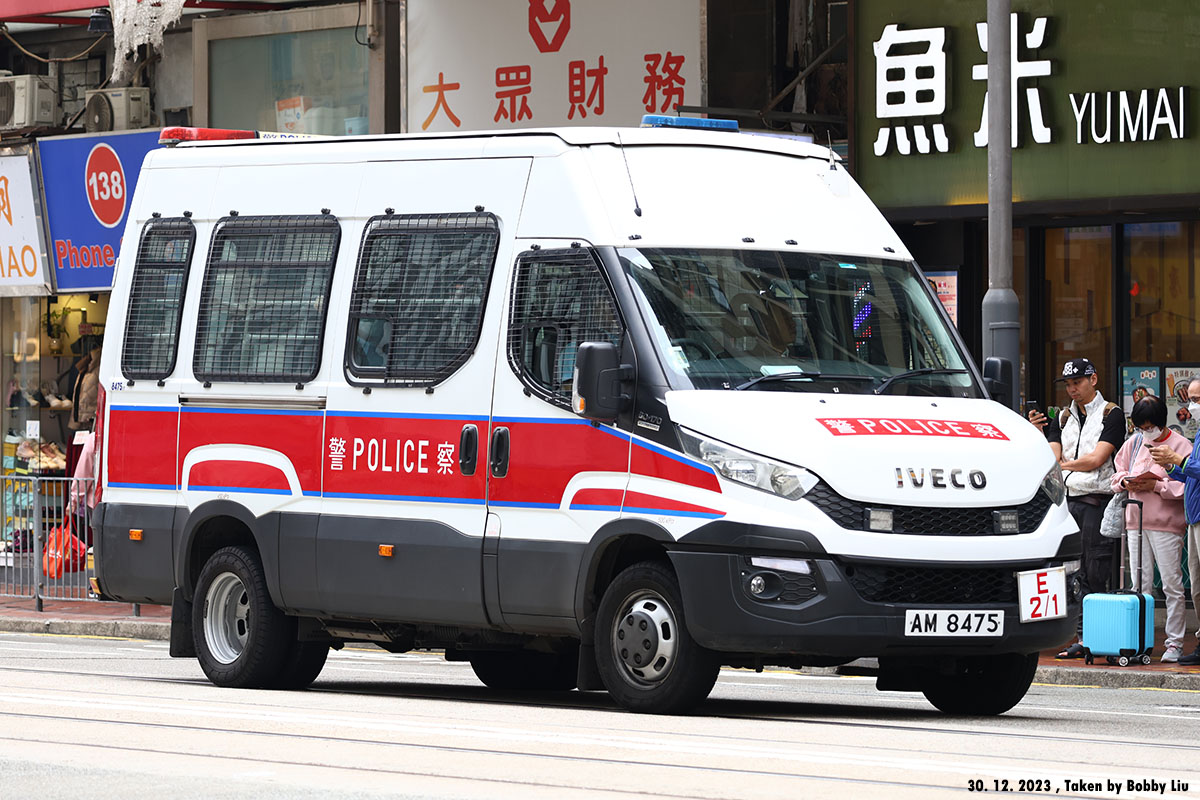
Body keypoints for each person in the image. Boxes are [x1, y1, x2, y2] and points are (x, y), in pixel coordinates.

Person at [1028, 357, 1126, 659]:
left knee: (1096, 570)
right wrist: (1038, 434)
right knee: (1069, 572)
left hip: (1096, 502)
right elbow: (1053, 453)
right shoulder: (1062, 418)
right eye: (1068, 384)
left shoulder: (1112, 414)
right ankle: (1081, 637)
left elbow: (1097, 459)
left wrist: (1063, 465)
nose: (1072, 389)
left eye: (1078, 382)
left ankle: (1097, 637)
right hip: (1067, 502)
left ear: (1093, 380)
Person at [1111, 395, 1191, 662]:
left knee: (1172, 585)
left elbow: (1187, 487)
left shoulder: (1181, 445)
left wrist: (1155, 486)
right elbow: (1117, 472)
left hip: (1167, 524)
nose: (1146, 432)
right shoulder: (1134, 443)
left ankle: (1175, 643)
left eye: (1149, 426)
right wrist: (1125, 482)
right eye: (1140, 427)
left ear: (1160, 423)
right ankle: (1139, 641)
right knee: (1139, 585)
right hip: (1135, 521)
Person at [1149, 376, 1200, 666]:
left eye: (1198, 400)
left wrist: (1178, 461)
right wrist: (1170, 465)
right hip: (1193, 516)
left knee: (1184, 585)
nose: (1192, 406)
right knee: (1197, 587)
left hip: (1195, 516)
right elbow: (1190, 474)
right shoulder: (1199, 432)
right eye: (1190, 400)